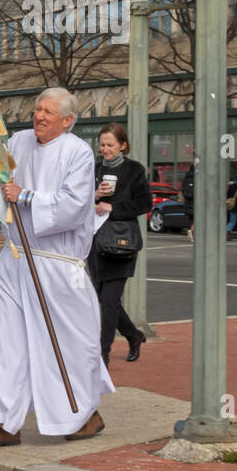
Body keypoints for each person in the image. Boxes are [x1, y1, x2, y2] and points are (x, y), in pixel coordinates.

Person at [0, 87, 114, 448]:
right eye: (37, 109)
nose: (39, 116)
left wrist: (27, 196)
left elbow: (75, 207)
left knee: (66, 343)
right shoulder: (18, 141)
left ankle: (86, 412)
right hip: (15, 257)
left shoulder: (77, 152)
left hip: (56, 264)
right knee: (5, 340)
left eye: (48, 112)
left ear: (67, 120)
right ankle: (4, 423)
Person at [86, 123, 152, 365]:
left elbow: (145, 204)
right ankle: (134, 335)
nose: (105, 149)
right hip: (95, 241)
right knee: (103, 298)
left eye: (110, 145)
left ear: (123, 145)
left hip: (121, 243)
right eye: (102, 144)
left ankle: (103, 354)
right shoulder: (93, 168)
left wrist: (113, 207)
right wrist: (95, 196)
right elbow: (78, 199)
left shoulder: (134, 170)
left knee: (109, 299)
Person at [181, 164, 195, 243]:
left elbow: (183, 190)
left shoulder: (185, 179)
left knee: (191, 219)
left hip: (187, 202)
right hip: (195, 201)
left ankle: (191, 232)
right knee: (196, 219)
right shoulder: (197, 178)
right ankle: (191, 232)